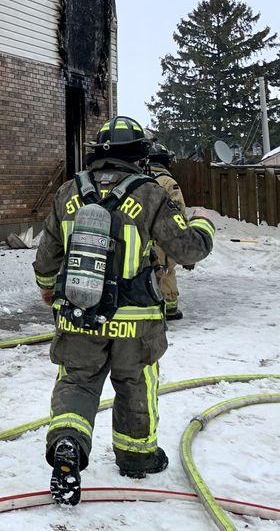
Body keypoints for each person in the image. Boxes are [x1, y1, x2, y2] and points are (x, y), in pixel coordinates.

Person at [32, 116, 216, 506]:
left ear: (99, 155)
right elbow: (187, 249)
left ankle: (68, 443)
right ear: (140, 156)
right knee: (135, 384)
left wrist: (48, 289)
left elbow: (47, 254)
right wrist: (205, 226)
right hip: (138, 320)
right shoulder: (150, 193)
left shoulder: (69, 192)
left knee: (77, 382)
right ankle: (136, 457)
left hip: (79, 314)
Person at [148, 141, 187, 320]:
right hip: (163, 236)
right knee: (166, 270)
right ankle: (169, 307)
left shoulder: (140, 178)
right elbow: (178, 211)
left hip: (142, 235)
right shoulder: (168, 182)